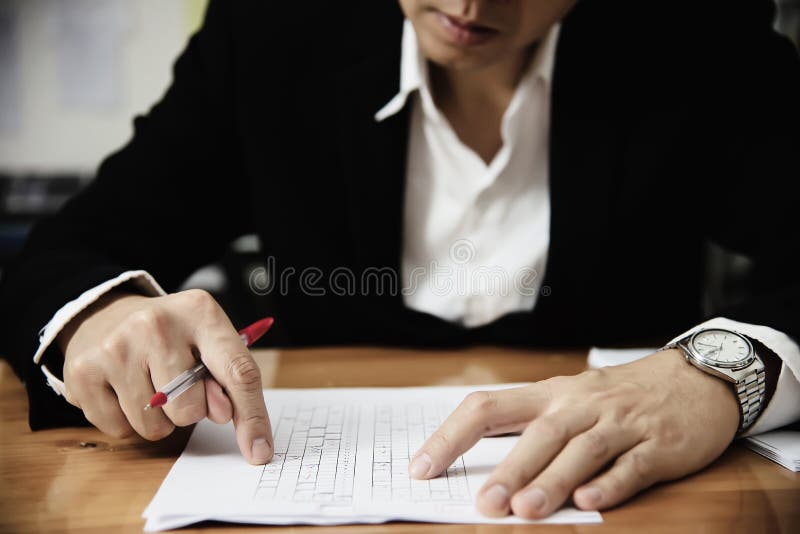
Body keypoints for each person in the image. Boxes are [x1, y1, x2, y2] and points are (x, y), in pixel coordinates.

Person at [1, 0, 799, 520]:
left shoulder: (697, 35)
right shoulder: (274, 28)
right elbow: (66, 254)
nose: (470, 4)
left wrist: (721, 373)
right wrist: (100, 317)